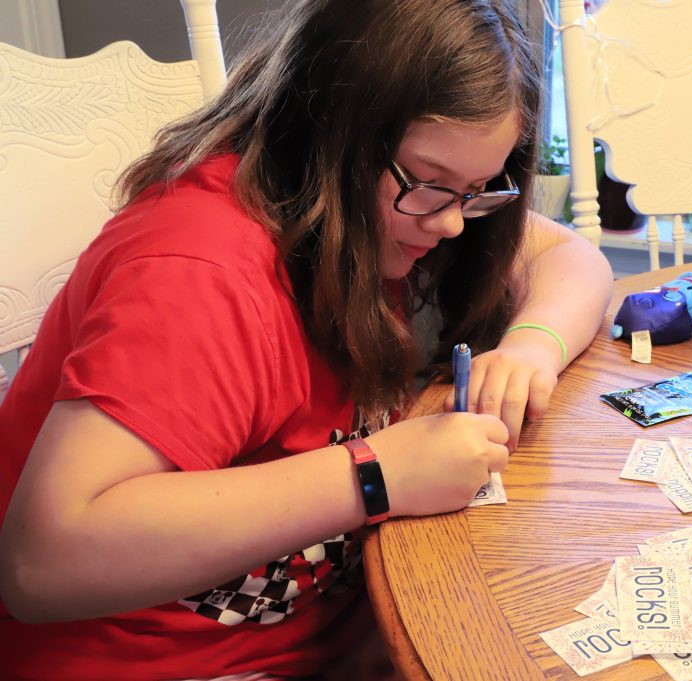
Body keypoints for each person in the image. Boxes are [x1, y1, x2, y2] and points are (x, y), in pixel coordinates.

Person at [0, 1, 613, 679]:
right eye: (432, 186)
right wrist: (377, 474)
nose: (451, 226)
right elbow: (43, 561)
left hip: (339, 625)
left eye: (475, 192)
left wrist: (531, 344)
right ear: (328, 135)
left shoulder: (382, 216)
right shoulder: (199, 273)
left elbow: (572, 261)